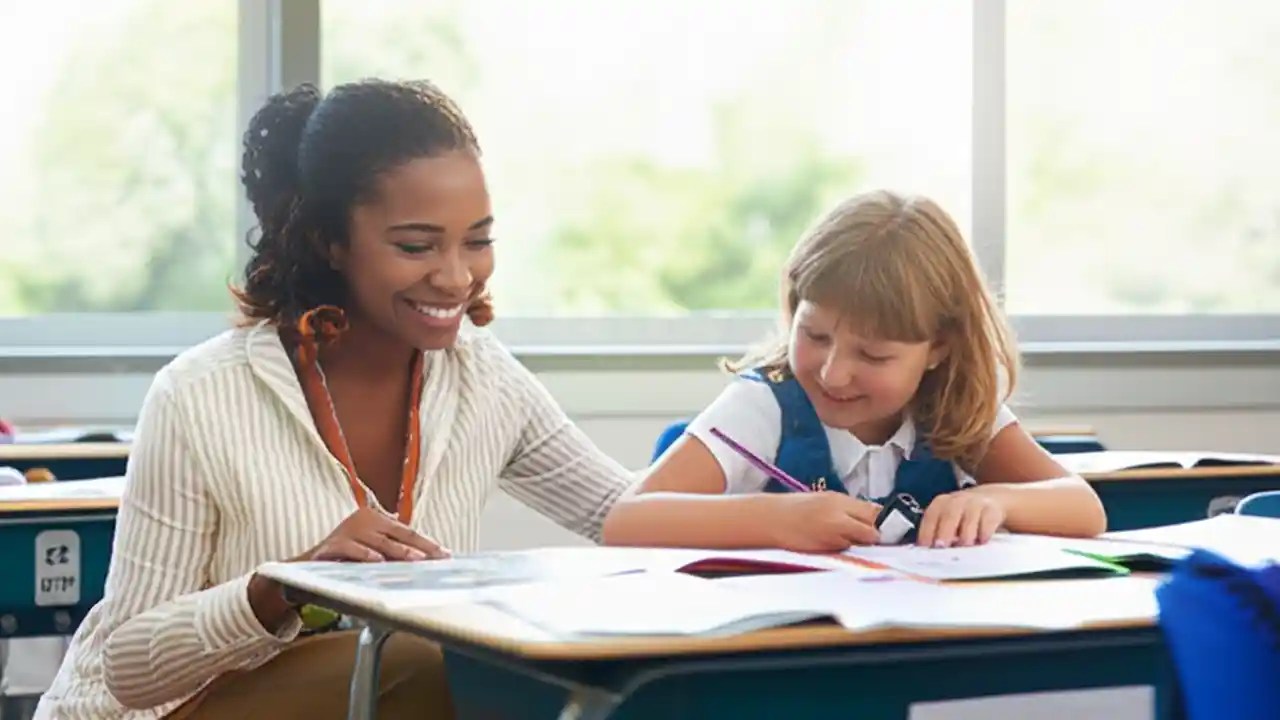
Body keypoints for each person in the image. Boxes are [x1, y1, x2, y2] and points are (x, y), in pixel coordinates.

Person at [37, 79, 635, 719]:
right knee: (438, 662)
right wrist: (280, 586)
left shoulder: (481, 377)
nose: (457, 276)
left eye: (477, 241)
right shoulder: (201, 394)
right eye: (415, 246)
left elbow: (625, 513)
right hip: (174, 711)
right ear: (330, 240)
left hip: (369, 696)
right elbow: (126, 666)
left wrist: (750, 406)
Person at [602, 190, 1106, 552]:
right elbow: (626, 520)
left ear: (939, 347)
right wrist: (776, 519)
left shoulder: (952, 407)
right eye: (815, 336)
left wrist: (998, 502)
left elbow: (1084, 509)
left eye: (873, 356)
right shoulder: (763, 406)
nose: (833, 373)